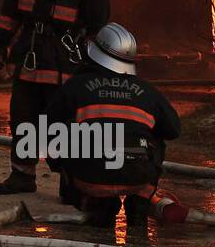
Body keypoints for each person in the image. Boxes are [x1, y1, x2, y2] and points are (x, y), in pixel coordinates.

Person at [0, 0, 110, 196]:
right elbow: (10, 10)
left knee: (65, 124)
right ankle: (22, 175)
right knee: (23, 117)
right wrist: (0, 43)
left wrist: (94, 61)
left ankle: (70, 180)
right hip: (30, 57)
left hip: (67, 62)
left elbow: (100, 20)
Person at [44, 22, 181, 231]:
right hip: (138, 179)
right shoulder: (147, 91)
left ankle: (93, 202)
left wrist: (63, 168)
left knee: (64, 131)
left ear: (95, 52)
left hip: (90, 180)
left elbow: (47, 131)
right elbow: (173, 130)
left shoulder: (75, 86)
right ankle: (140, 203)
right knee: (156, 139)